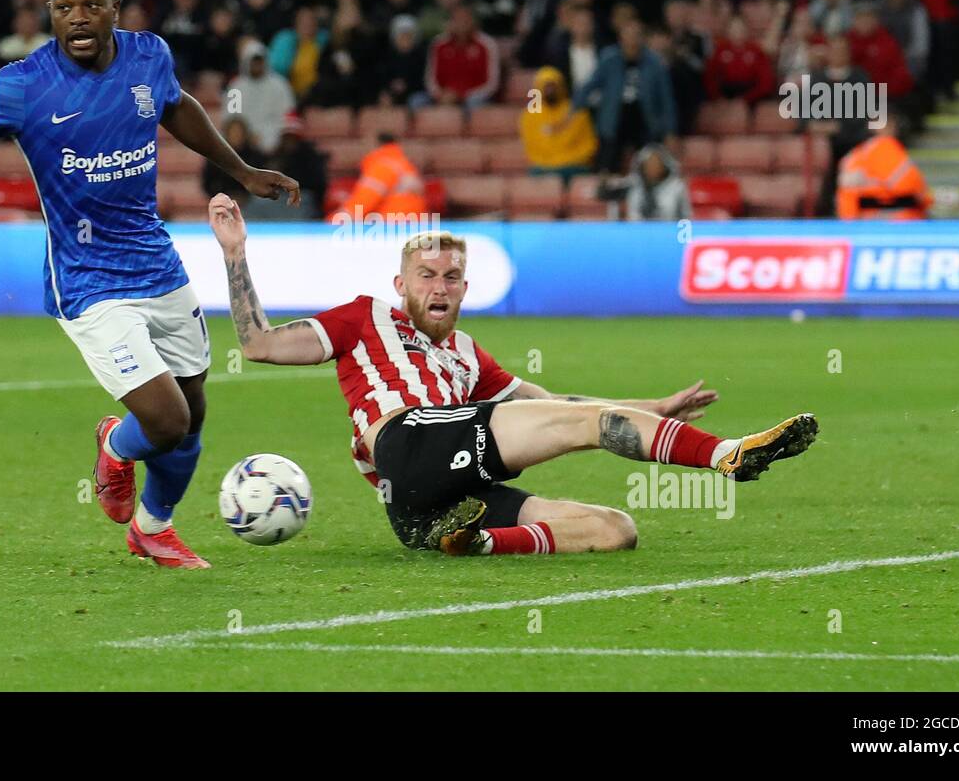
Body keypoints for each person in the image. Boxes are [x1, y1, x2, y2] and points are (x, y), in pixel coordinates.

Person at [0, 0, 298, 570]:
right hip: (87, 281)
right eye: (63, 8)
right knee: (164, 421)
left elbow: (177, 106)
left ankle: (153, 528)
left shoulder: (150, 56)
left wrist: (242, 170)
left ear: (116, 9)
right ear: (49, 16)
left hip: (156, 263)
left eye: (91, 6)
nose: (78, 19)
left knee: (193, 415)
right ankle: (116, 444)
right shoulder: (22, 84)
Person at [208, 207, 819, 555]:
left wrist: (653, 406)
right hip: (405, 441)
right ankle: (729, 457)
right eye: (426, 275)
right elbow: (258, 344)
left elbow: (556, 406)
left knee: (614, 531)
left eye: (451, 277)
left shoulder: (471, 359)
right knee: (582, 429)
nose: (439, 287)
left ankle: (469, 542)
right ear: (401, 285)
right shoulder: (364, 316)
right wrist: (235, 251)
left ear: (466, 290)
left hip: (429, 502)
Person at [573, 20, 677, 173]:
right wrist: (574, 107)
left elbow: (666, 99)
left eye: (637, 36)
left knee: (650, 165)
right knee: (606, 165)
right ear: (621, 39)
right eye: (629, 36)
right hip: (614, 117)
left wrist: (670, 131)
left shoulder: (655, 63)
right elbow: (591, 84)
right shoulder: (609, 59)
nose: (633, 41)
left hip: (645, 119)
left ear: (642, 38)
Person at [836, 114, 932, 220]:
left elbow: (845, 199)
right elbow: (910, 187)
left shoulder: (853, 156)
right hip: (899, 221)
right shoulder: (887, 148)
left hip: (862, 223)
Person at [519, 65, 597, 180]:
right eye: (546, 87)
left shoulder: (577, 111)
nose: (550, 91)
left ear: (561, 86)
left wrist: (566, 161)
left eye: (553, 86)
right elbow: (531, 149)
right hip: (544, 168)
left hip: (573, 166)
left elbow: (589, 145)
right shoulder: (530, 115)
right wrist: (552, 164)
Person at [326, 132, 426, 222]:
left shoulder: (382, 166)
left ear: (374, 144)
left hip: (390, 227)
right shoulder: (404, 165)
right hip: (410, 224)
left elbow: (361, 204)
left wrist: (329, 223)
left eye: (363, 143)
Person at [227, 39, 295, 155]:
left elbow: (288, 116)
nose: (256, 65)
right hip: (244, 143)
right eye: (253, 61)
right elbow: (232, 118)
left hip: (275, 139)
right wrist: (248, 136)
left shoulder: (280, 85)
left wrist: (270, 135)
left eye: (259, 61)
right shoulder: (236, 87)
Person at [625, 143, 691, 221]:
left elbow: (686, 216)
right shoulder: (636, 187)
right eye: (648, 164)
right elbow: (633, 215)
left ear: (664, 165)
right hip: (641, 231)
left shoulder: (677, 187)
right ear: (642, 167)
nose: (652, 167)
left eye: (656, 163)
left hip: (670, 230)